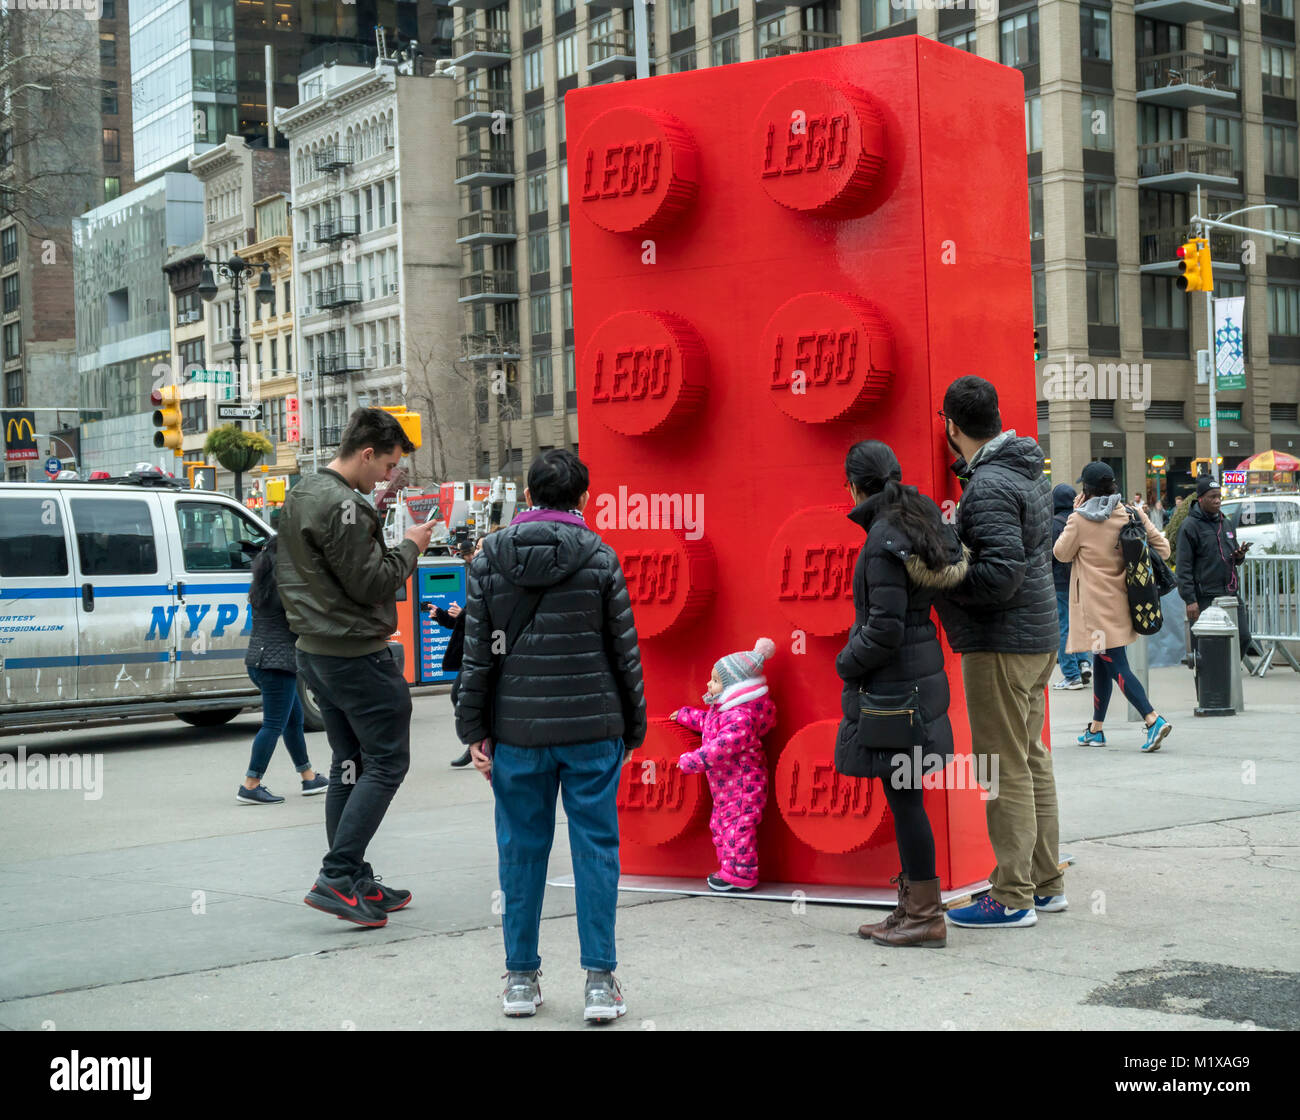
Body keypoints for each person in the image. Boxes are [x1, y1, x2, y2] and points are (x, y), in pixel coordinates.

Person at [456, 449, 646, 1023]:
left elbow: (476, 657)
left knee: (519, 850)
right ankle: (600, 984)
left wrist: (474, 731)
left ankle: (520, 980)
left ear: (527, 495)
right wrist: (634, 725)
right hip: (594, 728)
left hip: (517, 733)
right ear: (583, 498)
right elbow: (624, 653)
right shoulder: (600, 557)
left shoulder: (488, 558)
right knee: (596, 849)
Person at [278, 407, 436, 928]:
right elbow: (371, 583)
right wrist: (411, 547)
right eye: (388, 465)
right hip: (355, 654)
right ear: (367, 453)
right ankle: (338, 875)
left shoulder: (303, 491)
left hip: (315, 650)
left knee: (349, 763)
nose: (389, 476)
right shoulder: (345, 504)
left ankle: (353, 878)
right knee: (387, 763)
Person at [932, 376, 1065, 930]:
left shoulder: (987, 486)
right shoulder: (1024, 470)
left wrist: (943, 577)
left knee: (1003, 765)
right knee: (1030, 758)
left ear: (951, 426)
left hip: (1001, 643)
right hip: (1038, 637)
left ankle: (1012, 896)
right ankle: (1045, 883)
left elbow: (999, 575)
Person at [834, 441, 968, 949]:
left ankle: (924, 916)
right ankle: (914, 910)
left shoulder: (882, 537)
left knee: (906, 801)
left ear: (854, 485)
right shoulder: (916, 519)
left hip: (895, 688)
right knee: (907, 797)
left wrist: (846, 662)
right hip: (918, 677)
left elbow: (884, 628)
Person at [1053, 462, 1173, 753]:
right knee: (1103, 662)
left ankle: (1152, 718)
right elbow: (1164, 549)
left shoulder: (1079, 520)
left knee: (1115, 664)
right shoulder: (1131, 513)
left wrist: (1074, 514)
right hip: (1125, 603)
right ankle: (1096, 729)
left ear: (1086, 490)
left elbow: (1061, 553)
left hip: (1095, 610)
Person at [671, 638, 777, 893]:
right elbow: (707, 723)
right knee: (720, 826)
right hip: (726, 788)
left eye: (716, 681)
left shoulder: (740, 718)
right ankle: (729, 870)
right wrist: (686, 715)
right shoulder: (723, 713)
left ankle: (741, 874)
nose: (710, 684)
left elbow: (721, 747)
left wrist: (692, 760)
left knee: (737, 829)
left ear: (735, 688)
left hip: (743, 787)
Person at [237, 535, 327, 804]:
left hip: (259, 662)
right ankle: (251, 784)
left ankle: (308, 777)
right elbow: (304, 620)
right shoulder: (284, 588)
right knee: (273, 725)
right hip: (277, 666)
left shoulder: (262, 584)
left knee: (293, 721)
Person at [1176, 476, 1254, 658]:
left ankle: (1226, 673)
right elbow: (1183, 566)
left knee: (1243, 638)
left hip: (1230, 593)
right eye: (1212, 496)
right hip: (1205, 596)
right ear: (1201, 499)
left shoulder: (1225, 522)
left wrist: (1239, 556)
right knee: (1205, 649)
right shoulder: (1189, 526)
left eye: (1219, 496)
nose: (1217, 500)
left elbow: (1232, 554)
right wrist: (1190, 600)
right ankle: (1212, 676)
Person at [429, 537, 478, 769]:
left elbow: (487, 623)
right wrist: (441, 615)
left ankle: (477, 743)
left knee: (463, 696)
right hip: (471, 653)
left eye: (478, 549)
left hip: (484, 653)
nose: (473, 556)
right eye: (473, 550)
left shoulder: (493, 582)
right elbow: (464, 623)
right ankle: (476, 742)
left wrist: (463, 615)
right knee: (459, 696)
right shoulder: (478, 580)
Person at [1050, 483, 1091, 691]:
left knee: (1063, 626)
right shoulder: (1080, 520)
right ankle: (1084, 663)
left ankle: (1071, 674)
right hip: (1081, 580)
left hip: (1060, 582)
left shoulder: (1054, 524)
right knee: (1079, 623)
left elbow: (1050, 555)